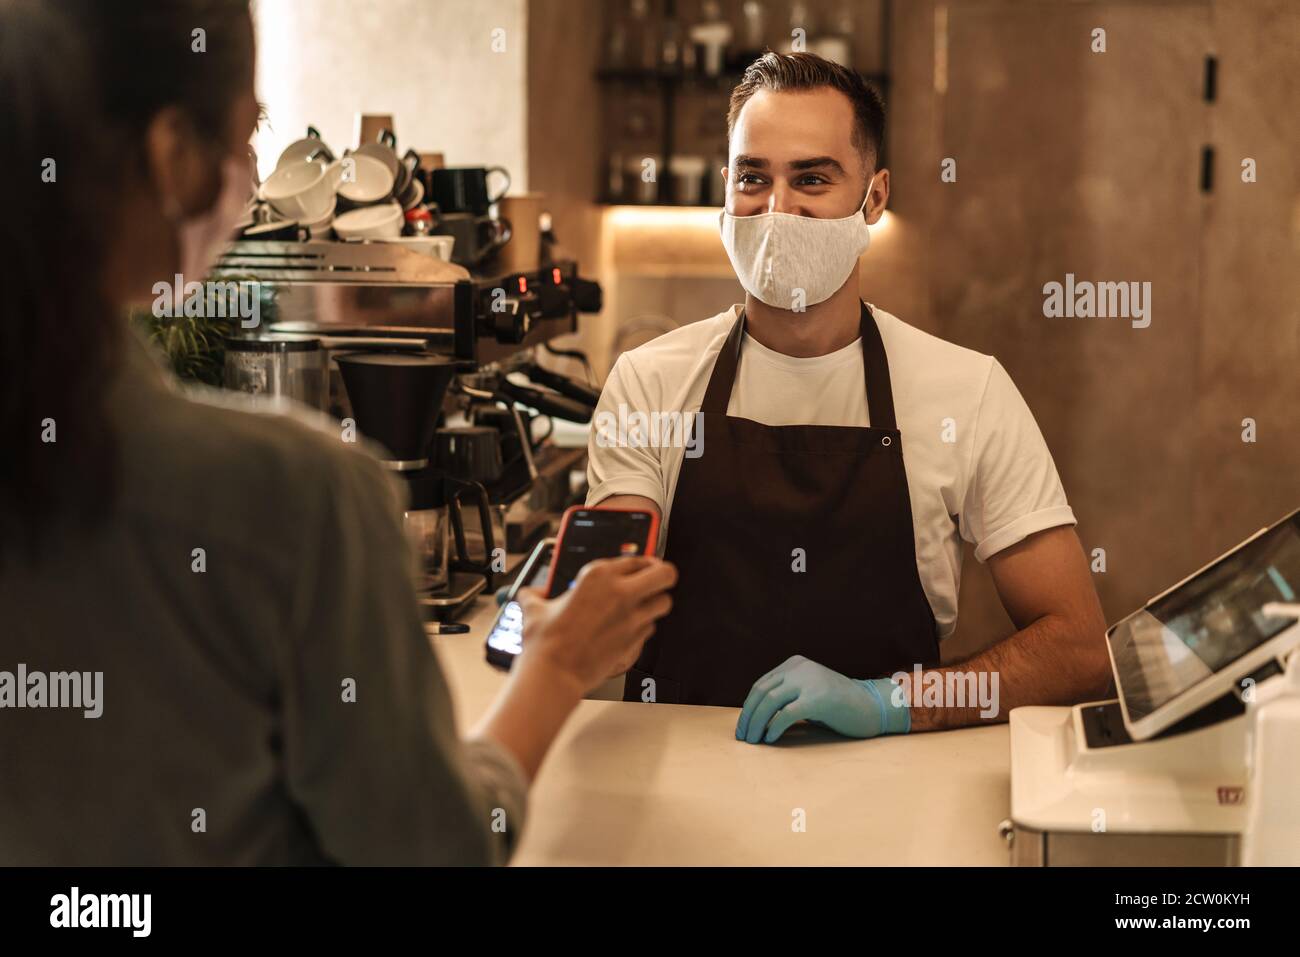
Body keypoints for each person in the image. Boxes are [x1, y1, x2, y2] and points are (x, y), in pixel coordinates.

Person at [0, 0, 675, 865]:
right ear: (173, 155)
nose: (251, 179)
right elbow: (434, 851)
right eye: (245, 141)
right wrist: (554, 665)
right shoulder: (291, 500)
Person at [588, 52, 1109, 741]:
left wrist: (892, 701)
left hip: (891, 797)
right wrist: (569, 615)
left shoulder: (967, 390)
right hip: (674, 797)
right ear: (725, 189)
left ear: (874, 196)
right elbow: (609, 617)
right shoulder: (648, 382)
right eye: (752, 177)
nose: (777, 209)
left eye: (811, 178)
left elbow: (1077, 647)